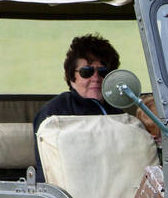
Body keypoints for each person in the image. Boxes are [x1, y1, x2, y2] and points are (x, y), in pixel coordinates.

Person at [32, 34, 121, 181]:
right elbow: (47, 172)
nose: (96, 78)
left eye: (103, 71)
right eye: (87, 72)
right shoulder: (53, 113)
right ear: (71, 77)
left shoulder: (118, 112)